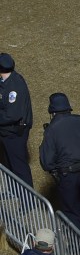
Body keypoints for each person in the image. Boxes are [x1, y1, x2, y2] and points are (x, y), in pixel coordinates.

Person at [39, 93, 80, 245]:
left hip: (67, 176)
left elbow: (46, 162)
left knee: (71, 209)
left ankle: (79, 245)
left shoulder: (52, 130)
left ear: (52, 112)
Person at [0, 53, 33, 186]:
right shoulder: (5, 81)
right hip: (6, 131)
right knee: (8, 163)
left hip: (14, 133)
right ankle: (14, 190)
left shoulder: (15, 86)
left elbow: (12, 115)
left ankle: (28, 200)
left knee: (19, 165)